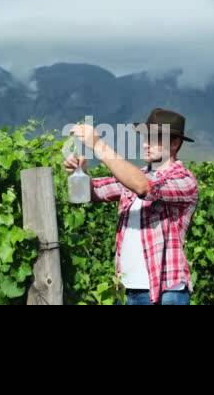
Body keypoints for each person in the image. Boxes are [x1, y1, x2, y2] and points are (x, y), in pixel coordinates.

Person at [64, 108, 199, 305]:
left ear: (175, 143)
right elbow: (94, 192)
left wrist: (99, 146)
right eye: (145, 138)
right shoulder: (136, 175)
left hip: (165, 292)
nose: (145, 144)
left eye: (154, 139)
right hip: (126, 291)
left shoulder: (184, 179)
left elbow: (144, 187)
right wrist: (79, 173)